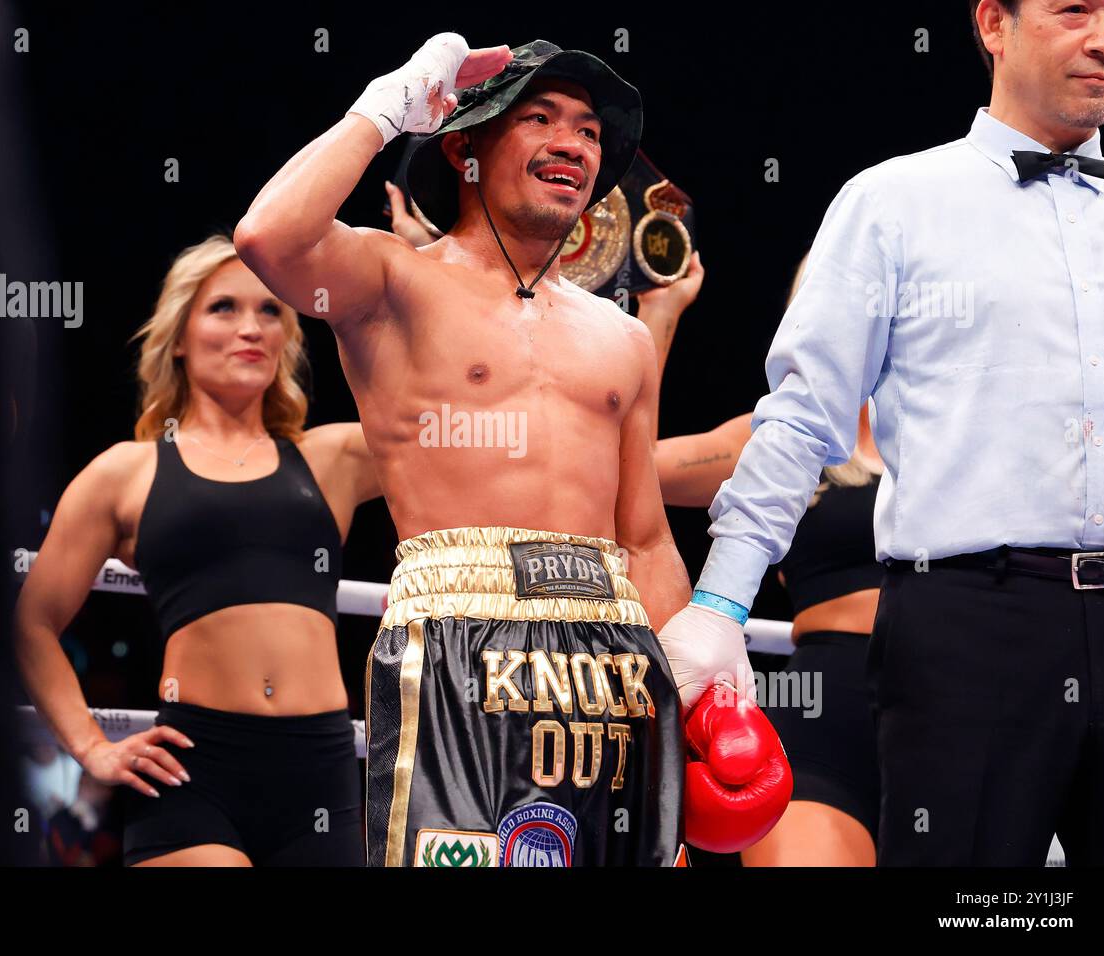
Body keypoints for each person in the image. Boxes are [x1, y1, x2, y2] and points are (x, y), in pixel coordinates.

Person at [236, 35, 790, 866]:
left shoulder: (623, 339)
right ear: (465, 148)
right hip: (459, 641)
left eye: (590, 131)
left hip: (613, 653)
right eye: (540, 118)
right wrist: (388, 105)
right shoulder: (391, 282)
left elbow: (641, 536)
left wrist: (700, 680)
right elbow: (266, 238)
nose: (574, 141)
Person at [688, 0, 1104, 864]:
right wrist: (719, 605)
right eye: (1074, 11)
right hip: (968, 626)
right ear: (993, 24)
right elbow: (804, 416)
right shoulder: (894, 202)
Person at [14, 235, 381, 866]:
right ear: (178, 337)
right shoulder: (125, 473)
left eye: (271, 311)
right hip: (193, 772)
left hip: (321, 771)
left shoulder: (333, 458)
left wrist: (417, 282)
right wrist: (93, 747)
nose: (251, 328)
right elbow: (32, 623)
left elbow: (448, 416)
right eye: (223, 309)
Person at [640, 258, 883, 866]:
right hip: (828, 706)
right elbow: (627, 465)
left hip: (970, 698)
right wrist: (660, 316)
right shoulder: (778, 440)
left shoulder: (964, 435)